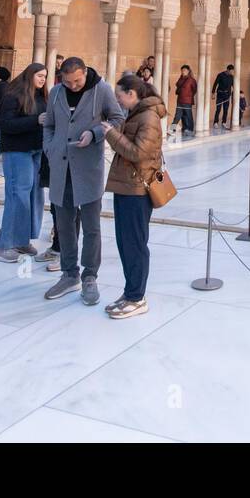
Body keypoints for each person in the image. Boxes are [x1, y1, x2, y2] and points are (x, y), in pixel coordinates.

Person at [42, 57, 124, 305]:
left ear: (85, 72)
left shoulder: (102, 90)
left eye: (77, 81)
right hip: (61, 168)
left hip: (88, 168)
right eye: (68, 82)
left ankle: (90, 277)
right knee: (64, 225)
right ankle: (69, 274)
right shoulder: (56, 92)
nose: (73, 86)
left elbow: (118, 118)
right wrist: (50, 148)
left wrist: (95, 133)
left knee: (91, 227)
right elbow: (49, 124)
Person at [101, 73, 166, 319]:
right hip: (126, 186)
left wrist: (111, 134)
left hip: (137, 190)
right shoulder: (137, 114)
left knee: (135, 244)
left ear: (132, 94)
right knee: (125, 242)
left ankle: (137, 298)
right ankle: (130, 292)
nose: (118, 101)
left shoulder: (149, 117)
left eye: (120, 96)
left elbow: (138, 153)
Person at [0, 62, 48, 263]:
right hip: (17, 151)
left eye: (44, 76)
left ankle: (21, 240)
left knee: (33, 195)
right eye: (39, 75)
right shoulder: (13, 96)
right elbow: (6, 124)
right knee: (18, 196)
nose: (43, 79)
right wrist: (36, 120)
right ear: (30, 75)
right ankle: (5, 245)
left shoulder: (41, 97)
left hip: (36, 150)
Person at [173, 64, 197, 135]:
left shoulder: (192, 80)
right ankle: (172, 129)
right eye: (182, 70)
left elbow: (194, 90)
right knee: (177, 116)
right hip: (180, 100)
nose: (183, 72)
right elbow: (177, 85)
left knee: (188, 115)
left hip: (187, 101)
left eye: (185, 70)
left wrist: (188, 96)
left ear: (188, 71)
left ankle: (189, 129)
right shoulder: (180, 79)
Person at [211, 63, 234, 129]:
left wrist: (235, 93)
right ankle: (215, 122)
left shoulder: (231, 77)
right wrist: (213, 93)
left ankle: (224, 122)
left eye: (232, 71)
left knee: (226, 109)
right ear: (227, 70)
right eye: (231, 71)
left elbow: (233, 85)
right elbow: (215, 84)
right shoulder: (220, 75)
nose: (232, 72)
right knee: (218, 109)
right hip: (220, 94)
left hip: (227, 95)